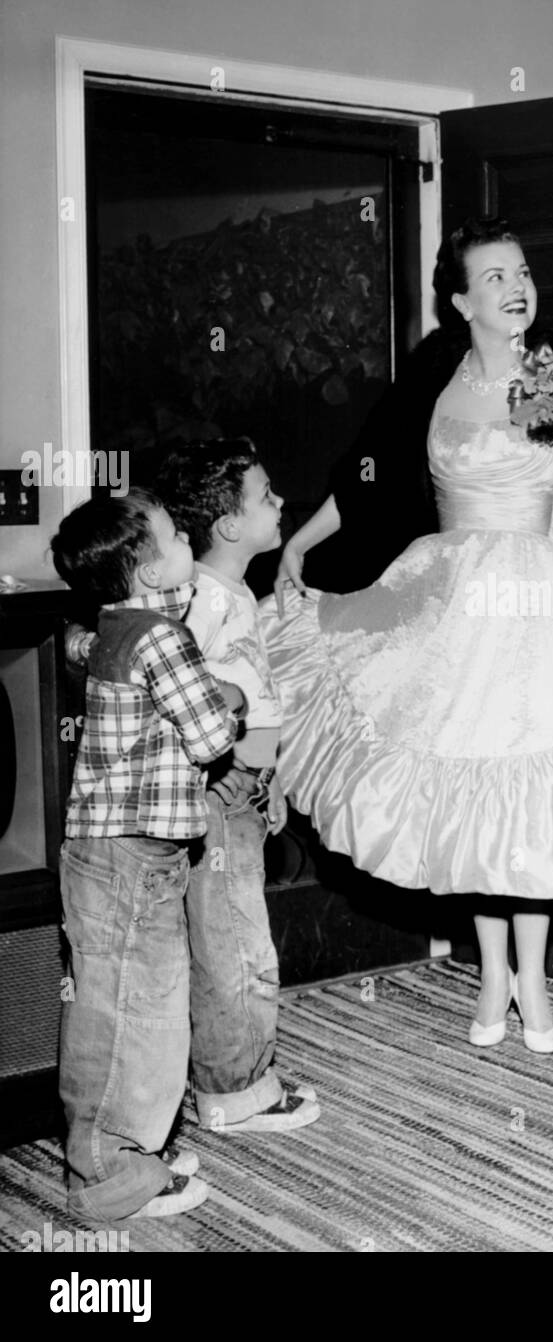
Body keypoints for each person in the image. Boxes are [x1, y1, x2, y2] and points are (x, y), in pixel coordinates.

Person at [264, 217, 553, 1051]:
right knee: (470, 787)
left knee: (527, 783)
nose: (516, 288)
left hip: (531, 607)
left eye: (521, 273)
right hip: (446, 604)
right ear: (459, 301)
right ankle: (491, 979)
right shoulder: (433, 374)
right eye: (494, 277)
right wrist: (301, 540)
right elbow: (370, 473)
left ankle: (534, 984)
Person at [51, 490, 242, 1220]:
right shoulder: (162, 639)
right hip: (130, 856)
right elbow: (210, 738)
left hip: (118, 853)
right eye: (175, 536)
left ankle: (133, 1153)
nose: (189, 538)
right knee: (130, 1014)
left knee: (136, 1007)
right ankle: (109, 1177)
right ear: (149, 571)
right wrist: (231, 698)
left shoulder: (115, 624)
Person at [155, 439, 321, 1133]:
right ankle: (235, 1090)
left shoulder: (233, 593)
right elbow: (180, 688)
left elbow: (254, 694)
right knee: (234, 945)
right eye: (266, 496)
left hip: (243, 785)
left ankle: (236, 1076)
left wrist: (269, 779)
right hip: (217, 792)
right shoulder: (201, 599)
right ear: (228, 525)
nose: (280, 503)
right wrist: (224, 781)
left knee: (239, 936)